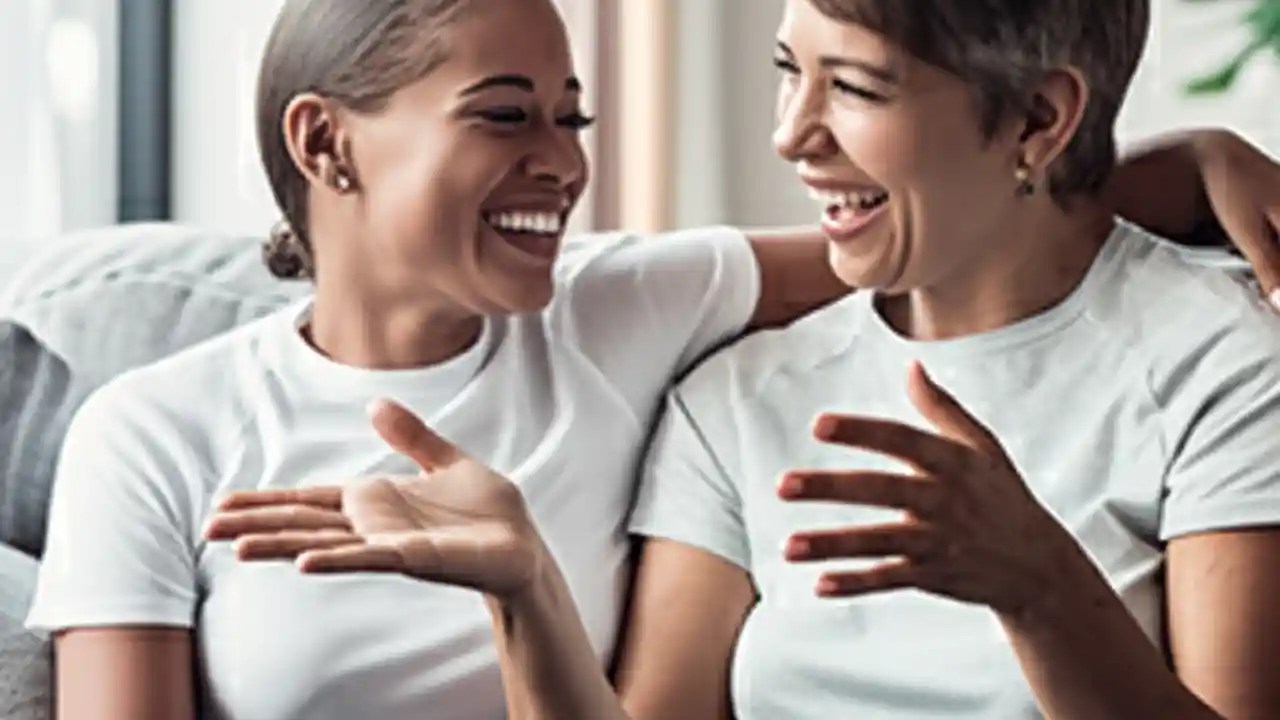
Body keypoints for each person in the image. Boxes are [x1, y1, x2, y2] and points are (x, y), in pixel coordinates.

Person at [30, 0, 1279, 718]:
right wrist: (521, 583)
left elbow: (983, 229)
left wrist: (1185, 163)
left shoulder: (632, 310)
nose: (567, 166)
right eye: (504, 116)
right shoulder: (152, 433)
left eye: (568, 118)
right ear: (324, 145)